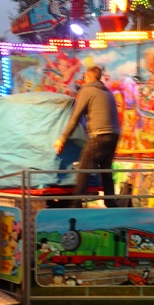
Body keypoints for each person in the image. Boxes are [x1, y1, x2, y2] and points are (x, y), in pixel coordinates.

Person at [53, 66, 121, 207]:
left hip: (99, 135)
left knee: (84, 169)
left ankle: (76, 205)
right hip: (114, 135)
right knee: (106, 170)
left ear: (89, 77)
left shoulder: (87, 90)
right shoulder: (108, 93)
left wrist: (62, 138)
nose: (83, 81)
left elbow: (75, 117)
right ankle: (111, 202)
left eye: (84, 78)